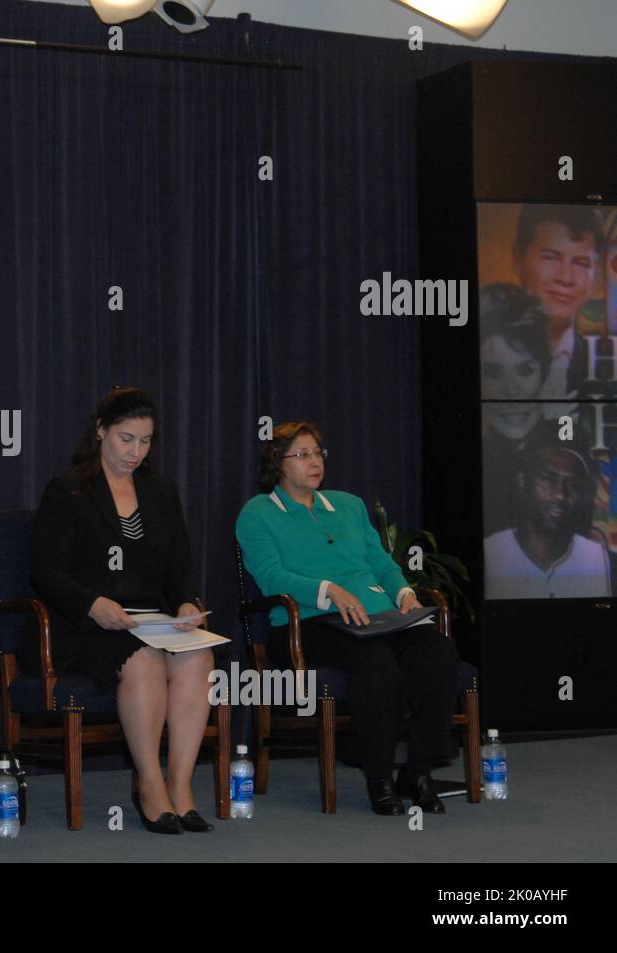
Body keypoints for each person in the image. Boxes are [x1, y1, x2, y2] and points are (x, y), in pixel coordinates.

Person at [235, 422, 460, 816]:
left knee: (436, 651)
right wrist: (327, 590)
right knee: (374, 661)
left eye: (318, 453)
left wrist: (404, 592)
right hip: (307, 624)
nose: (314, 462)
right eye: (302, 455)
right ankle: (379, 778)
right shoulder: (258, 514)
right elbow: (271, 576)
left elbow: (380, 562)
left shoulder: (349, 505)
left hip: (377, 616)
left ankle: (419, 771)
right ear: (278, 463)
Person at [31, 387, 214, 834]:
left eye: (145, 441)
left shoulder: (160, 491)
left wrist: (188, 601)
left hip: (153, 619)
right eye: (125, 438)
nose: (136, 451)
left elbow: (179, 568)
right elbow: (46, 572)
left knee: (198, 657)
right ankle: (150, 787)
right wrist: (93, 604)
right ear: (100, 432)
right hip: (89, 625)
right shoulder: (68, 491)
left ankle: (181, 783)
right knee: (146, 660)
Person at [484, 442, 612, 599]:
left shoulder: (593, 556)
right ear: (522, 481)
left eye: (573, 483)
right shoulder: (491, 553)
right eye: (548, 478)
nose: (561, 494)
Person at [511, 205, 608, 400]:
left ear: (595, 275)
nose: (566, 278)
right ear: (518, 259)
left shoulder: (606, 368)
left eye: (580, 262)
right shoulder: (487, 354)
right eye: (551, 258)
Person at [479, 283, 553, 534]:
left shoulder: (575, 443)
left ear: (545, 371)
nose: (512, 392)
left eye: (525, 371)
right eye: (493, 373)